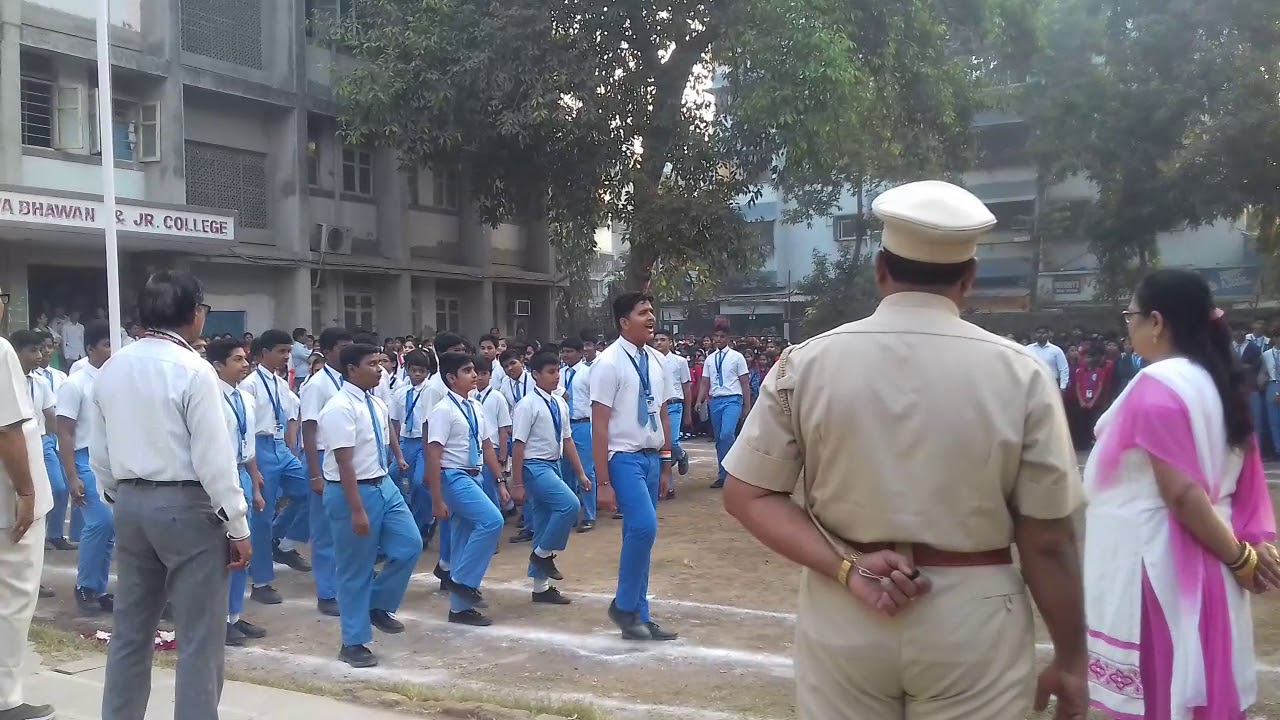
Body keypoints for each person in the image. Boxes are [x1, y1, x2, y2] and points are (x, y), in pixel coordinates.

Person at [721, 180, 1088, 719]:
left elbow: (746, 494)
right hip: (974, 617)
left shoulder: (806, 363)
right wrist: (1072, 658)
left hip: (847, 608)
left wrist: (847, 567)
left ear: (879, 269)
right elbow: (1048, 540)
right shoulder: (1023, 374)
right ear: (969, 279)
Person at [1084, 269, 1280, 720]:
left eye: (1130, 315)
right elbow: (1239, 480)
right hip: (1212, 553)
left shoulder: (1159, 386)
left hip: (1159, 564)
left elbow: (1182, 493)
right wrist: (1244, 550)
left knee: (1165, 691)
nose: (1127, 326)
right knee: (1196, 684)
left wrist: (1241, 559)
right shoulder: (1219, 380)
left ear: (1156, 321)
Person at [91, 271, 252, 720]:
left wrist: (118, 498)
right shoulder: (194, 370)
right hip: (185, 505)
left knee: (130, 632)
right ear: (195, 316)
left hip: (130, 502)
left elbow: (99, 453)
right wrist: (237, 525)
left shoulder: (112, 367)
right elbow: (214, 461)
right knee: (199, 638)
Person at [318, 343, 423, 668]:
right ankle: (353, 642)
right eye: (372, 363)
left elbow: (387, 436)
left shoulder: (375, 402)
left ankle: (377, 604)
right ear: (351, 369)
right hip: (352, 490)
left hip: (382, 484)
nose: (380, 368)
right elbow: (344, 463)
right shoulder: (339, 407)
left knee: (409, 545)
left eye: (381, 362)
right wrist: (356, 509)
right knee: (355, 569)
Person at [590, 292, 678, 641]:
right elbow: (599, 423)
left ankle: (639, 616)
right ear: (624, 322)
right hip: (622, 456)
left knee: (640, 537)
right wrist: (602, 482)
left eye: (652, 311)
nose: (651, 317)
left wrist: (667, 462)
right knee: (643, 528)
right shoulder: (608, 362)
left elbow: (661, 412)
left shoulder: (657, 361)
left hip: (651, 455)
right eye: (643, 312)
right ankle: (624, 605)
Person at [0, 293, 56, 720]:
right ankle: (5, 698)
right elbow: (8, 430)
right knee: (13, 600)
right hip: (8, 502)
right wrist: (28, 492)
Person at [425, 352, 506, 626]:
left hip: (476, 475)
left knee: (462, 537)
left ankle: (459, 609)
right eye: (467, 371)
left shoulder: (475, 407)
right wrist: (436, 498)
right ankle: (462, 581)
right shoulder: (443, 410)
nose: (474, 375)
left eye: (475, 370)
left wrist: (500, 482)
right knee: (492, 521)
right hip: (453, 476)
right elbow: (433, 455)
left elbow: (486, 446)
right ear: (450, 378)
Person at [239, 330, 312, 607]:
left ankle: (277, 537)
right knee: (261, 512)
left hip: (281, 447)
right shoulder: (250, 386)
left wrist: (291, 446)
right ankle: (261, 581)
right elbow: (246, 428)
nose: (286, 357)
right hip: (260, 448)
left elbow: (293, 412)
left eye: (287, 352)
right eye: (280, 351)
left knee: (308, 490)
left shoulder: (279, 382)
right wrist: (253, 465)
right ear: (262, 354)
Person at [510, 351, 588, 605]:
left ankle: (540, 587)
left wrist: (580, 472)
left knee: (543, 523)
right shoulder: (527, 405)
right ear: (535, 375)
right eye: (550, 372)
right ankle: (542, 554)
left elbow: (568, 440)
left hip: (553, 464)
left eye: (558, 371)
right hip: (535, 466)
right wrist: (518, 482)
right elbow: (518, 445)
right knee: (569, 504)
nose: (556, 377)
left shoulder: (559, 404)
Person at [208, 339, 268, 646]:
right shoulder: (210, 398)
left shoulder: (244, 398)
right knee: (221, 551)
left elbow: (248, 445)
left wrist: (255, 481)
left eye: (245, 359)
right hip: (219, 477)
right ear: (218, 366)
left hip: (241, 473)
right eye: (237, 360)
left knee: (242, 549)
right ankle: (218, 619)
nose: (245, 364)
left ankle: (234, 615)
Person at [55, 320, 114, 614]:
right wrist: (72, 476)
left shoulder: (116, 380)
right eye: (106, 344)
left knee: (112, 526)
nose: (112, 350)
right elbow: (64, 431)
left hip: (111, 459)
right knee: (100, 521)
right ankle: (85, 585)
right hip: (85, 457)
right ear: (90, 348)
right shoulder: (74, 384)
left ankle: (99, 587)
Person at [299, 327, 354, 617]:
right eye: (343, 346)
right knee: (323, 528)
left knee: (345, 523)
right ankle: (326, 591)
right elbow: (309, 428)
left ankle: (343, 583)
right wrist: (314, 473)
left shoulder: (349, 380)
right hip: (323, 455)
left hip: (346, 453)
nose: (348, 351)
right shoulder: (318, 384)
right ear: (329, 350)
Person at [389, 350, 436, 537]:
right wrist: (396, 450)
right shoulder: (400, 392)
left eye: (422, 371)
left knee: (419, 482)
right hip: (405, 441)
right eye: (414, 370)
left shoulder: (431, 391)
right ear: (407, 369)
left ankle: (425, 522)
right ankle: (410, 509)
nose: (417, 374)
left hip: (423, 441)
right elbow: (395, 421)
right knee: (392, 476)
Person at [698, 326, 751, 489]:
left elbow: (744, 382)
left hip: (733, 399)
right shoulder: (710, 359)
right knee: (720, 439)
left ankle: (735, 470)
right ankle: (723, 475)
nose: (719, 339)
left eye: (722, 336)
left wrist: (746, 405)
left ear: (727, 338)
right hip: (715, 400)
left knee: (727, 434)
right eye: (716, 336)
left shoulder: (737, 357)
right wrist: (699, 399)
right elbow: (705, 381)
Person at [558, 338, 597, 530]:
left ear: (580, 353)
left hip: (583, 424)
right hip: (564, 425)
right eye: (563, 352)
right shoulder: (559, 374)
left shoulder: (589, 373)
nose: (565, 355)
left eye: (569, 351)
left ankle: (590, 514)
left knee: (586, 470)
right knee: (566, 472)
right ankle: (571, 513)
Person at [653, 330, 692, 486]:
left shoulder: (679, 361)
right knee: (660, 445)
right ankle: (667, 485)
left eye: (663, 340)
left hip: (674, 404)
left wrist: (688, 413)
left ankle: (681, 455)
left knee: (672, 442)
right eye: (656, 340)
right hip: (656, 406)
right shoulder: (650, 361)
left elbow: (686, 387)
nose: (659, 343)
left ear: (670, 342)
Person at [1027, 327, 1071, 391]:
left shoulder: (1056, 350)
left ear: (1048, 335)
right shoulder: (1028, 349)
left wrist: (1063, 387)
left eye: (1043, 333)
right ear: (1035, 335)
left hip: (1052, 384)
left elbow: (1063, 369)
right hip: (1033, 384)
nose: (1040, 335)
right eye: (1038, 333)